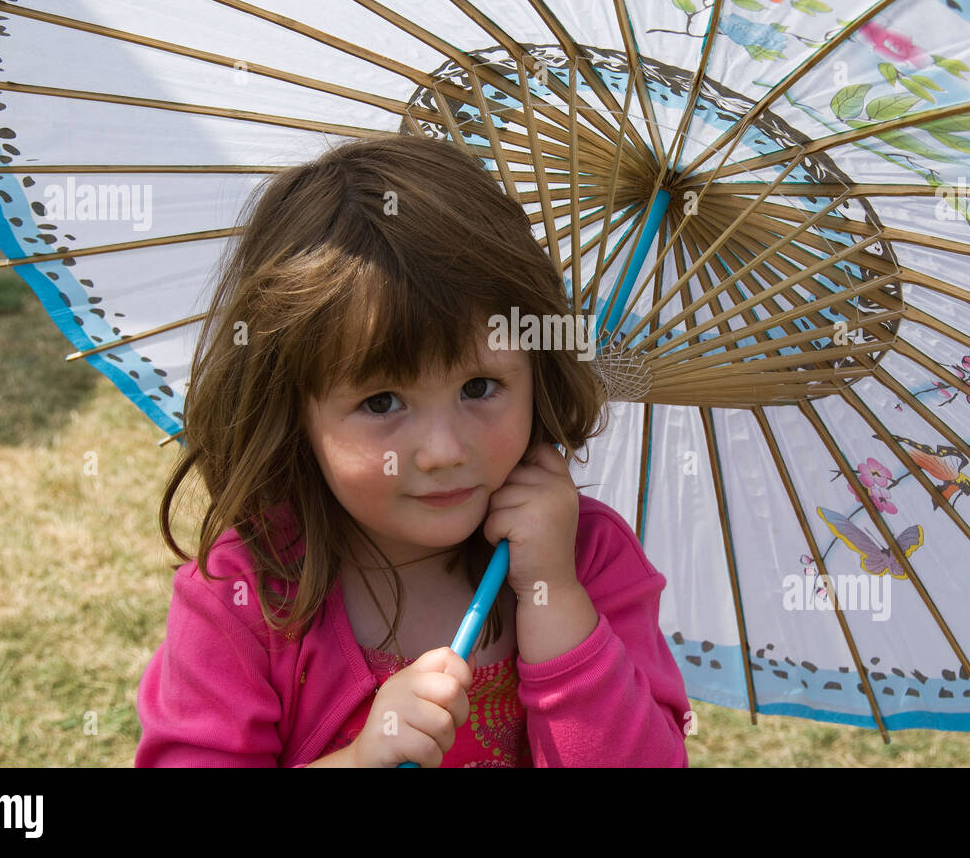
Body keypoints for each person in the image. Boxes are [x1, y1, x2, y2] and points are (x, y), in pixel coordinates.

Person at [133, 133, 691, 767]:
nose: (443, 451)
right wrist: (359, 759)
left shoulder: (587, 560)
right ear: (291, 409)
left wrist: (555, 598)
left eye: (480, 387)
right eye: (381, 403)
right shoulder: (245, 596)